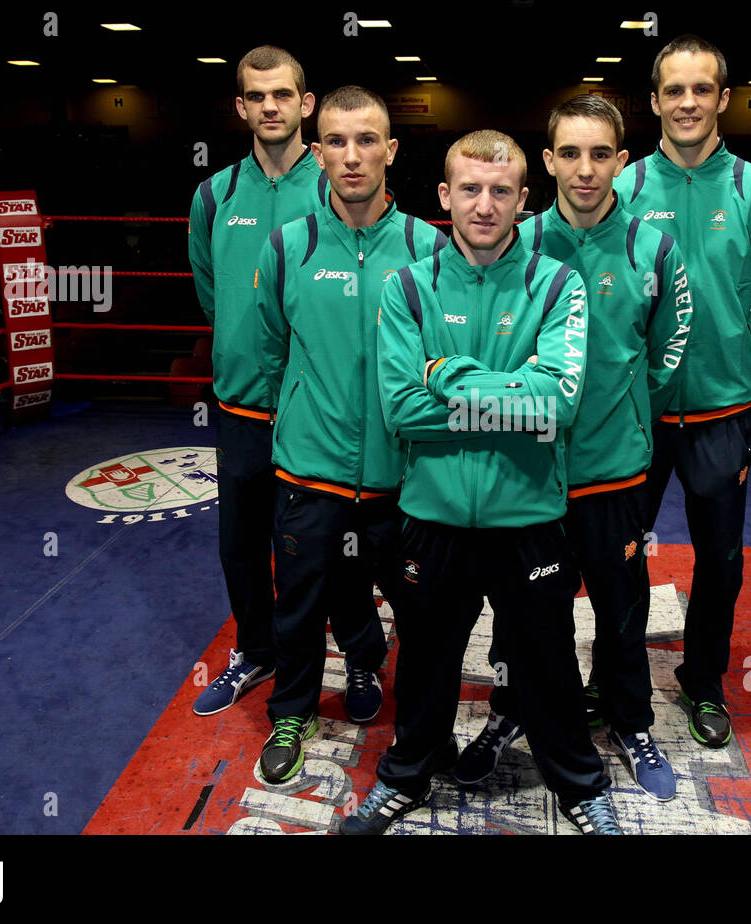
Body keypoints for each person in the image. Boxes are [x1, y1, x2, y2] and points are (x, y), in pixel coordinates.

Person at [341, 130, 621, 835]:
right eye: (470, 189)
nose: (485, 204)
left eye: (501, 191)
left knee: (549, 665)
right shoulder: (408, 287)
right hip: (432, 516)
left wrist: (449, 376)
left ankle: (581, 788)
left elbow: (554, 406)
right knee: (426, 662)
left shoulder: (559, 283)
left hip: (526, 518)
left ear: (524, 200)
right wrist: (508, 397)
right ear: (444, 196)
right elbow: (403, 410)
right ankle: (407, 775)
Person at [454, 95, 693, 803]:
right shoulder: (520, 243)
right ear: (550, 159)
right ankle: (511, 712)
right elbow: (492, 346)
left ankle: (629, 719)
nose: (585, 170)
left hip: (614, 471)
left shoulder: (653, 246)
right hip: (531, 470)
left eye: (601, 154)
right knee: (523, 611)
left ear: (623, 161)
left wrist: (621, 415)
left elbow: (668, 346)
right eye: (570, 154)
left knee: (623, 604)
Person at [253, 86, 445, 783]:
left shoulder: (430, 246)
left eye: (367, 140)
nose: (352, 155)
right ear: (317, 152)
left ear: (391, 150)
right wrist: (308, 418)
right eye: (336, 141)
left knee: (420, 607)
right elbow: (274, 351)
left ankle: (392, 692)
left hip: (404, 476)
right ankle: (292, 713)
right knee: (300, 602)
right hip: (311, 469)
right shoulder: (289, 245)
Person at [612, 35, 751, 747]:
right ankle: (616, 678)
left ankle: (704, 678)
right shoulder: (623, 188)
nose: (687, 102)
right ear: (655, 100)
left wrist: (727, 345)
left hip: (722, 412)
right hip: (636, 412)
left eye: (701, 89)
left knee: (721, 559)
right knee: (617, 553)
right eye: (673, 90)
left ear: (722, 98)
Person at [187, 45, 328, 716]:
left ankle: (342, 655)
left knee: (321, 544)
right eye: (256, 96)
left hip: (317, 407)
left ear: (306, 104)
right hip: (242, 405)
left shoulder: (336, 187)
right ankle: (255, 649)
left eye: (283, 95)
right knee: (240, 543)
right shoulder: (213, 195)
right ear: (241, 107)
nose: (270, 106)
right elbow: (214, 298)